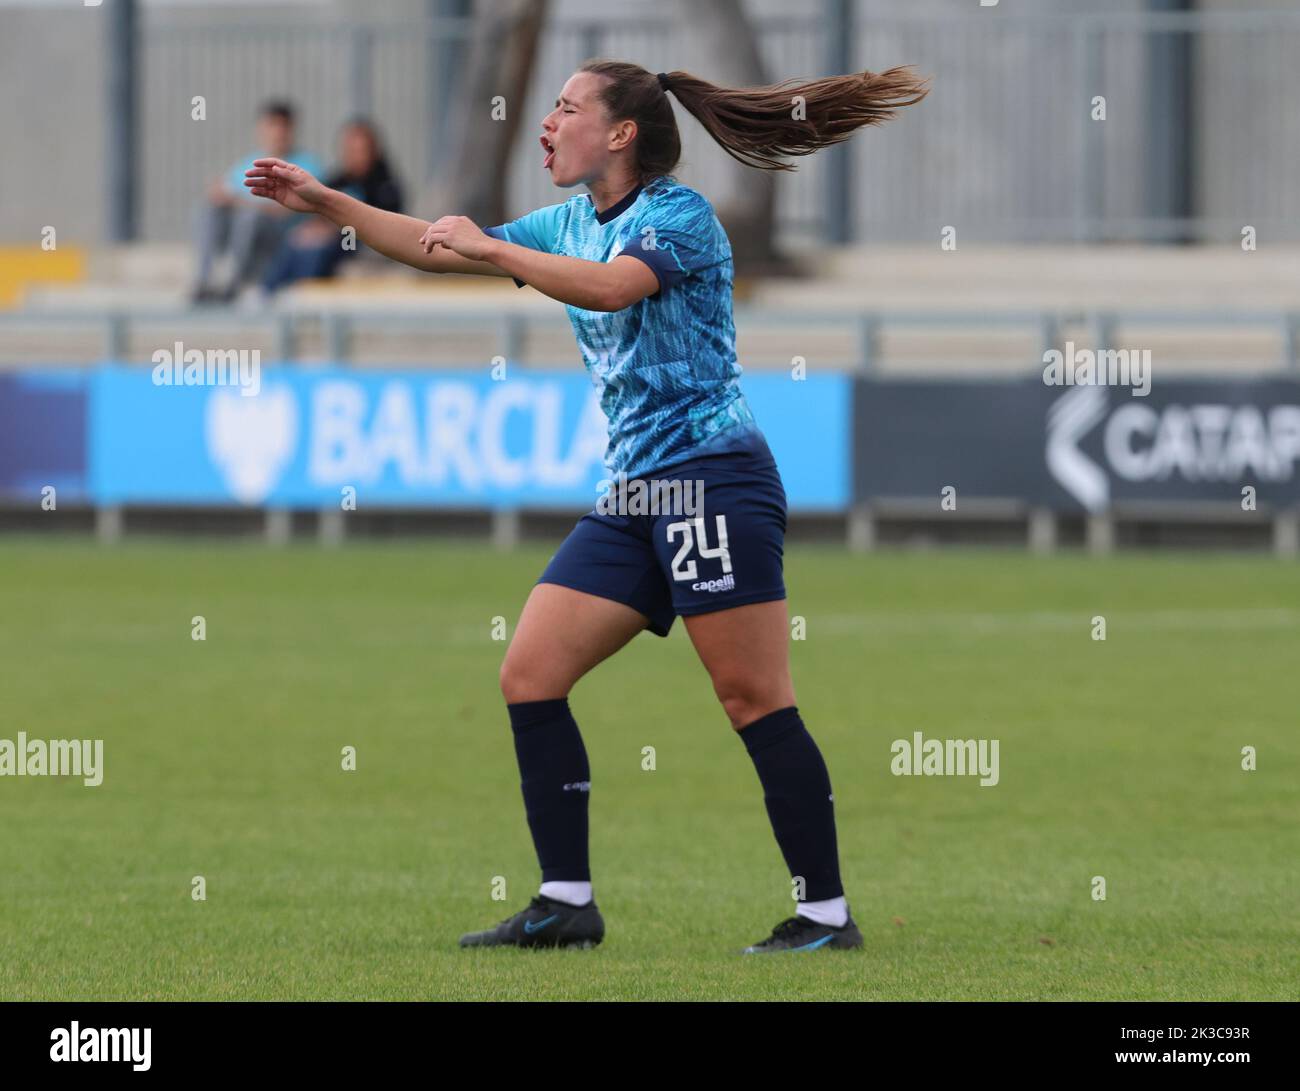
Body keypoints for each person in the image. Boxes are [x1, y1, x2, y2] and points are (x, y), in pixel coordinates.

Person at [244, 59, 927, 954]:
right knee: (529, 672)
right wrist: (330, 202)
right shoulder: (569, 220)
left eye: (567, 108)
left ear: (620, 134)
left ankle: (826, 914)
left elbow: (609, 286)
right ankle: (566, 902)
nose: (548, 121)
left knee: (752, 695)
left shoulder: (678, 216)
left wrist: (492, 249)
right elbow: (434, 243)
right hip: (634, 494)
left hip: (712, 477)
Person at [191, 101, 323, 304]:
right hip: (245, 238)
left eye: (282, 126)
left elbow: (283, 211)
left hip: (282, 239)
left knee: (249, 216)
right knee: (209, 210)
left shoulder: (308, 165)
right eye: (272, 126)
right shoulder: (248, 163)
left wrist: (238, 201)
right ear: (261, 129)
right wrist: (219, 196)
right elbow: (225, 195)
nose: (277, 133)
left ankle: (233, 283)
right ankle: (203, 280)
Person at [261, 118, 404, 295]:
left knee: (323, 247)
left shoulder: (384, 186)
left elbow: (386, 224)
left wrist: (333, 229)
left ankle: (306, 292)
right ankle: (268, 291)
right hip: (335, 234)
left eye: (359, 151)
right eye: (349, 150)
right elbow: (318, 210)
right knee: (297, 238)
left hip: (358, 241)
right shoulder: (338, 180)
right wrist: (311, 229)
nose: (353, 156)